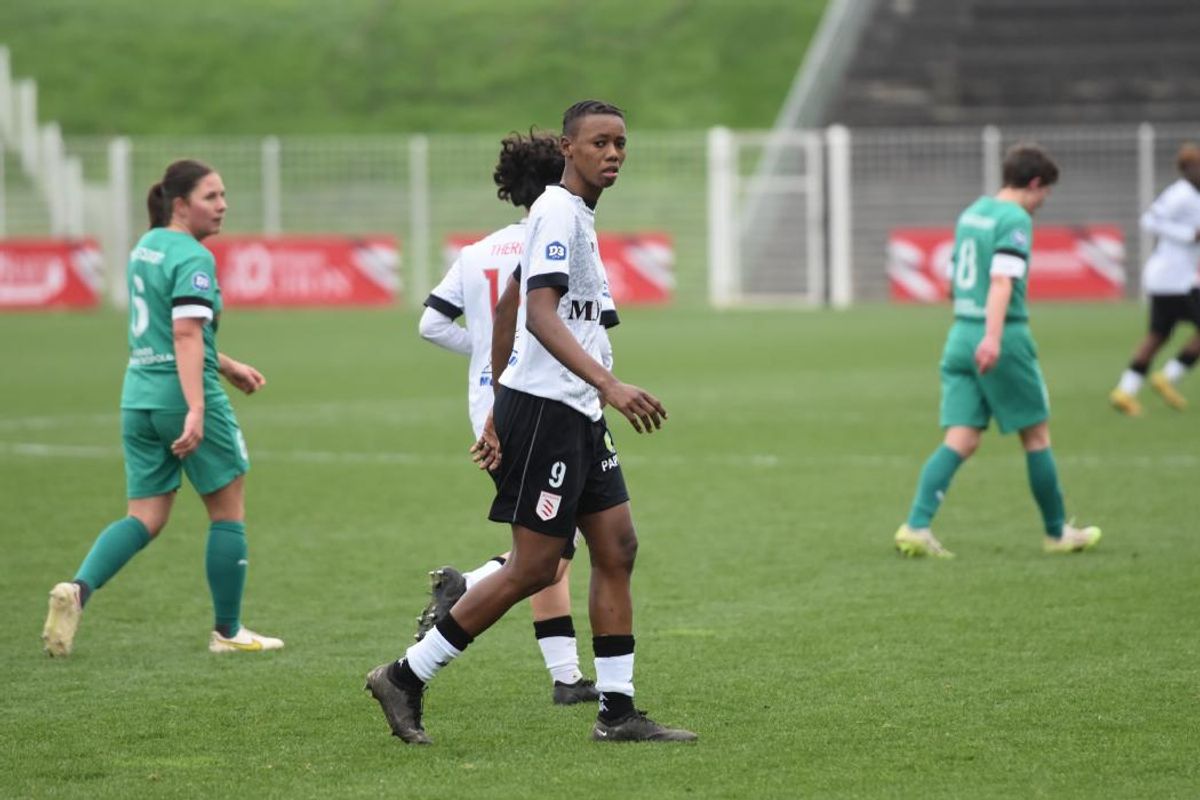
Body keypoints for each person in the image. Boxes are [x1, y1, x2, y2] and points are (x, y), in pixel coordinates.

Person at [367, 100, 696, 744]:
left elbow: (515, 295)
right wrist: (611, 384)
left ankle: (618, 712)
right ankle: (405, 676)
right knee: (536, 567)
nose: (613, 154)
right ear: (568, 150)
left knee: (617, 547)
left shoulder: (575, 217)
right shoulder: (554, 210)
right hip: (548, 412)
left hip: (572, 410)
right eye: (599, 143)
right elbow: (541, 316)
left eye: (621, 143)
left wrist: (494, 400)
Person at [41, 159, 283, 657]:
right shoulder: (193, 256)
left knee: (145, 515)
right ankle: (229, 632)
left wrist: (226, 363)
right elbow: (185, 332)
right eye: (211, 197)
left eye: (223, 195)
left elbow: (169, 333)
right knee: (227, 511)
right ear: (180, 204)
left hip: (138, 397)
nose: (222, 206)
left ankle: (78, 590)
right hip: (181, 398)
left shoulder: (146, 247)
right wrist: (196, 407)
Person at [414, 130, 603, 705]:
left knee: (555, 542)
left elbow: (431, 323)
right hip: (537, 404)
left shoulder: (477, 252)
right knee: (548, 545)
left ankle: (567, 678)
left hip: (488, 406)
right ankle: (470, 584)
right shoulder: (560, 238)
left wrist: (485, 350)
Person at [893, 143, 1102, 559]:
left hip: (959, 333)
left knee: (962, 438)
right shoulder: (1014, 219)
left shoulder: (973, 212)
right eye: (1046, 193)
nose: (1044, 202)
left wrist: (972, 327)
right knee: (1037, 436)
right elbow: (1002, 281)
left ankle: (915, 527)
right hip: (1000, 335)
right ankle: (1057, 533)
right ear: (1035, 183)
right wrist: (992, 337)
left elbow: (954, 278)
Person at [1109, 142, 1200, 416]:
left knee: (1158, 335)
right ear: (1187, 170)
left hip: (1176, 278)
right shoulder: (1179, 195)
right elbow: (1150, 220)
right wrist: (1187, 235)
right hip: (1172, 279)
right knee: (1160, 334)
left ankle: (1125, 391)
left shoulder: (1195, 195)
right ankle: (1169, 376)